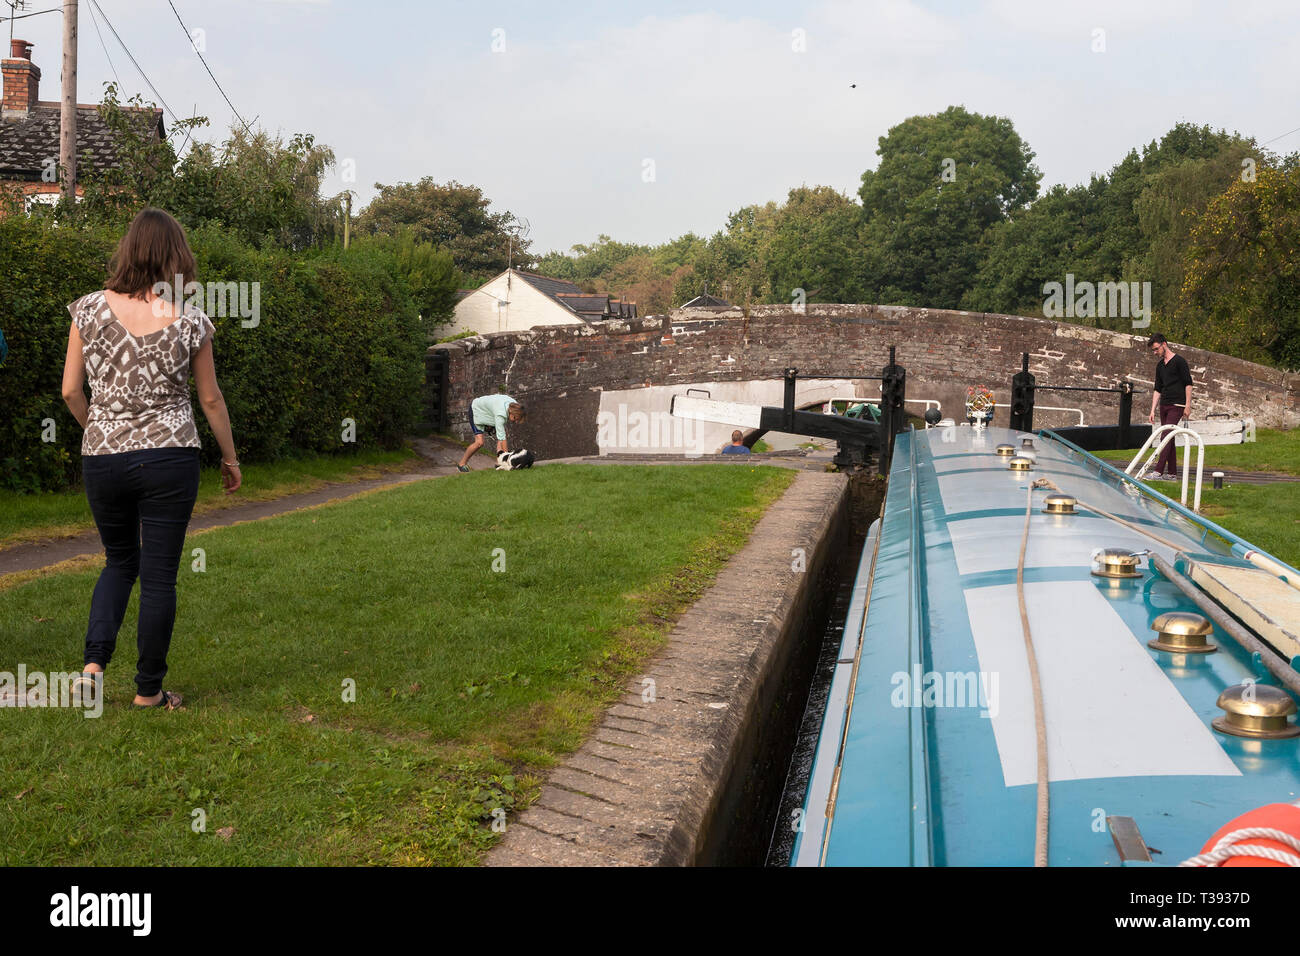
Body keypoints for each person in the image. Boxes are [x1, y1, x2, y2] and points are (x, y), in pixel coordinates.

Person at [60, 207, 241, 711]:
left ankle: (92, 669)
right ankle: (148, 691)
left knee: (118, 561)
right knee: (160, 575)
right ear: (176, 256)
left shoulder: (89, 309)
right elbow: (210, 400)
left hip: (103, 458)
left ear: (128, 250)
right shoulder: (190, 317)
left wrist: (101, 431)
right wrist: (231, 459)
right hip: (170, 457)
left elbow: (71, 391)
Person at [1147, 333, 1193, 479]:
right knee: (1169, 437)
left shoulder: (1180, 361)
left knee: (1165, 437)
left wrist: (1188, 405)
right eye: (1153, 350)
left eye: (1156, 349)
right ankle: (1172, 474)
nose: (1155, 353)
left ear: (1164, 344)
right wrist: (1152, 409)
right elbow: (1157, 388)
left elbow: (1188, 384)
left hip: (1177, 404)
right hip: (1164, 404)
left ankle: (1158, 471)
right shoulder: (1160, 366)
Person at [457, 394, 525, 471]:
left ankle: (499, 462)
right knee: (479, 442)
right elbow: (502, 438)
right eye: (515, 418)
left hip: (488, 412)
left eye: (517, 420)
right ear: (511, 412)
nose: (515, 421)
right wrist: (507, 457)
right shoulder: (501, 414)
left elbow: (501, 436)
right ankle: (461, 464)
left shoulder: (515, 406)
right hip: (476, 410)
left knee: (501, 433)